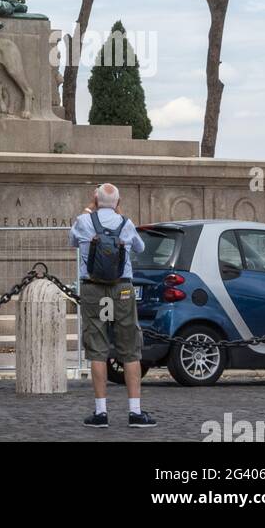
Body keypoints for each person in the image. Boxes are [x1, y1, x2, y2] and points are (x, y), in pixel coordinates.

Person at [69, 183, 157, 429]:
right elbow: (139, 247)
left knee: (97, 349)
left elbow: (72, 241)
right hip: (122, 288)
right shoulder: (125, 223)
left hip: (93, 287)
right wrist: (119, 216)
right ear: (118, 202)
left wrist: (89, 210)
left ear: (95, 199)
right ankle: (135, 412)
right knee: (130, 349)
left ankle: (100, 413)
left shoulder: (84, 221)